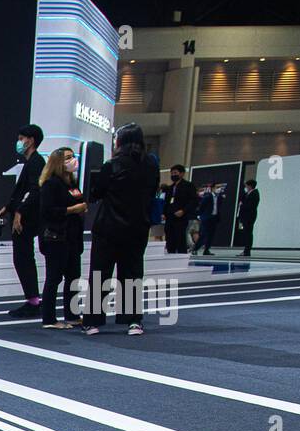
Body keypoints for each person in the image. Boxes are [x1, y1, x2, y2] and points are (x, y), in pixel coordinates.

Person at [84, 123, 158, 337]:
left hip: (109, 227)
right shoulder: (151, 165)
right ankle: (133, 321)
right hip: (137, 229)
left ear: (120, 141)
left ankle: (93, 321)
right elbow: (152, 194)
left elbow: (96, 193)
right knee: (132, 274)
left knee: (100, 274)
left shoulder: (112, 165)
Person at [0, 123, 46, 318]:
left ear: (31, 140)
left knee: (23, 258)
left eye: (22, 138)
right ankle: (32, 300)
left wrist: (19, 212)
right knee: (22, 258)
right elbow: (23, 191)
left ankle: (33, 301)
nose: (19, 142)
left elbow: (34, 191)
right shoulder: (32, 162)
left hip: (27, 220)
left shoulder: (36, 163)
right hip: (24, 217)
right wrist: (8, 207)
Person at [37, 147, 87, 329]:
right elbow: (47, 212)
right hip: (56, 237)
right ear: (58, 162)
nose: (72, 160)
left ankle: (72, 315)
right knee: (54, 278)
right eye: (67, 157)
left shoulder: (72, 184)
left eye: (72, 157)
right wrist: (72, 210)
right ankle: (49, 319)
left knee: (73, 278)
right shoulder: (51, 184)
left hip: (73, 237)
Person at [164, 164, 197, 254]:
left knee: (180, 239)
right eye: (172, 173)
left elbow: (193, 201)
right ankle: (170, 257)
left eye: (175, 173)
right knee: (170, 240)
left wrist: (184, 210)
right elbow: (166, 202)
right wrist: (164, 213)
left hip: (181, 217)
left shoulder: (188, 186)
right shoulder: (170, 188)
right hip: (170, 217)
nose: (173, 175)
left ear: (182, 173)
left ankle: (181, 259)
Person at [235, 179, 259, 256]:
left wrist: (243, 205)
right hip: (244, 216)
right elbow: (241, 199)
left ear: (250, 186)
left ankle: (247, 251)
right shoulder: (247, 193)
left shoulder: (255, 194)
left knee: (248, 233)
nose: (246, 187)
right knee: (246, 233)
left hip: (249, 216)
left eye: (247, 185)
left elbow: (251, 205)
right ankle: (246, 250)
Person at [194, 184, 217, 256]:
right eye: (217, 187)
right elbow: (202, 206)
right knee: (203, 234)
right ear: (212, 188)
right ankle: (195, 249)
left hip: (214, 218)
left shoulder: (218, 197)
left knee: (211, 235)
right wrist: (200, 215)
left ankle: (206, 250)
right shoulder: (207, 196)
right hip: (206, 218)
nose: (218, 189)